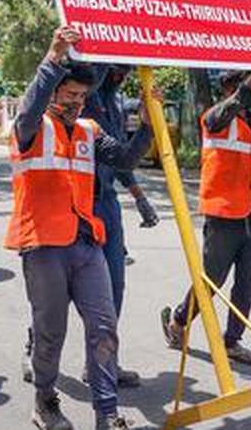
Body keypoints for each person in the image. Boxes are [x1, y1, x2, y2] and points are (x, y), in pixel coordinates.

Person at [7, 26, 153, 430]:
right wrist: (54, 57)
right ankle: (45, 401)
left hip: (86, 244)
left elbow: (125, 159)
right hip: (43, 246)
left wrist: (147, 125)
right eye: (69, 95)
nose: (76, 103)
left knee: (104, 328)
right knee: (50, 333)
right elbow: (31, 105)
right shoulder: (30, 128)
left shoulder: (91, 131)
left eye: (82, 97)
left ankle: (107, 414)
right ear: (54, 92)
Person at [160, 70, 251, 366]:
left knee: (247, 283)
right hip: (223, 212)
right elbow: (239, 99)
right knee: (212, 280)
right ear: (229, 88)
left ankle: (232, 341)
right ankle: (179, 321)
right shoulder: (215, 118)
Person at [82, 63, 159, 388]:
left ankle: (101, 362)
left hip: (107, 203)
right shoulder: (82, 94)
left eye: (126, 70)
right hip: (77, 203)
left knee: (114, 288)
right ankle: (35, 349)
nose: (122, 75)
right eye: (118, 68)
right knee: (59, 292)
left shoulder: (114, 102)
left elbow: (119, 156)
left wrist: (139, 196)